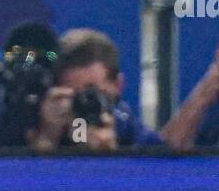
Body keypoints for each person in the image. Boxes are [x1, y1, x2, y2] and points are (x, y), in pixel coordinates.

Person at [26, 28, 163, 152]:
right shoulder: (32, 127)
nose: (81, 102)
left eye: (91, 94)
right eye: (71, 95)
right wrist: (46, 141)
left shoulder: (132, 134)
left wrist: (112, 157)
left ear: (117, 85)